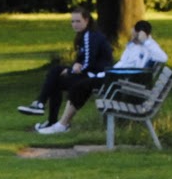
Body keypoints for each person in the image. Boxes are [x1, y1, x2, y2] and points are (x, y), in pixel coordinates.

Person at [13, 7, 112, 135]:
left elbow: (89, 62)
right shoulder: (83, 36)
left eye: (78, 21)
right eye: (72, 21)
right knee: (55, 74)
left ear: (87, 20)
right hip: (88, 73)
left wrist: (71, 71)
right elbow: (82, 60)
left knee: (56, 77)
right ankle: (49, 118)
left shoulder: (90, 36)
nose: (74, 24)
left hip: (95, 75)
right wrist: (74, 66)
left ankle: (41, 105)